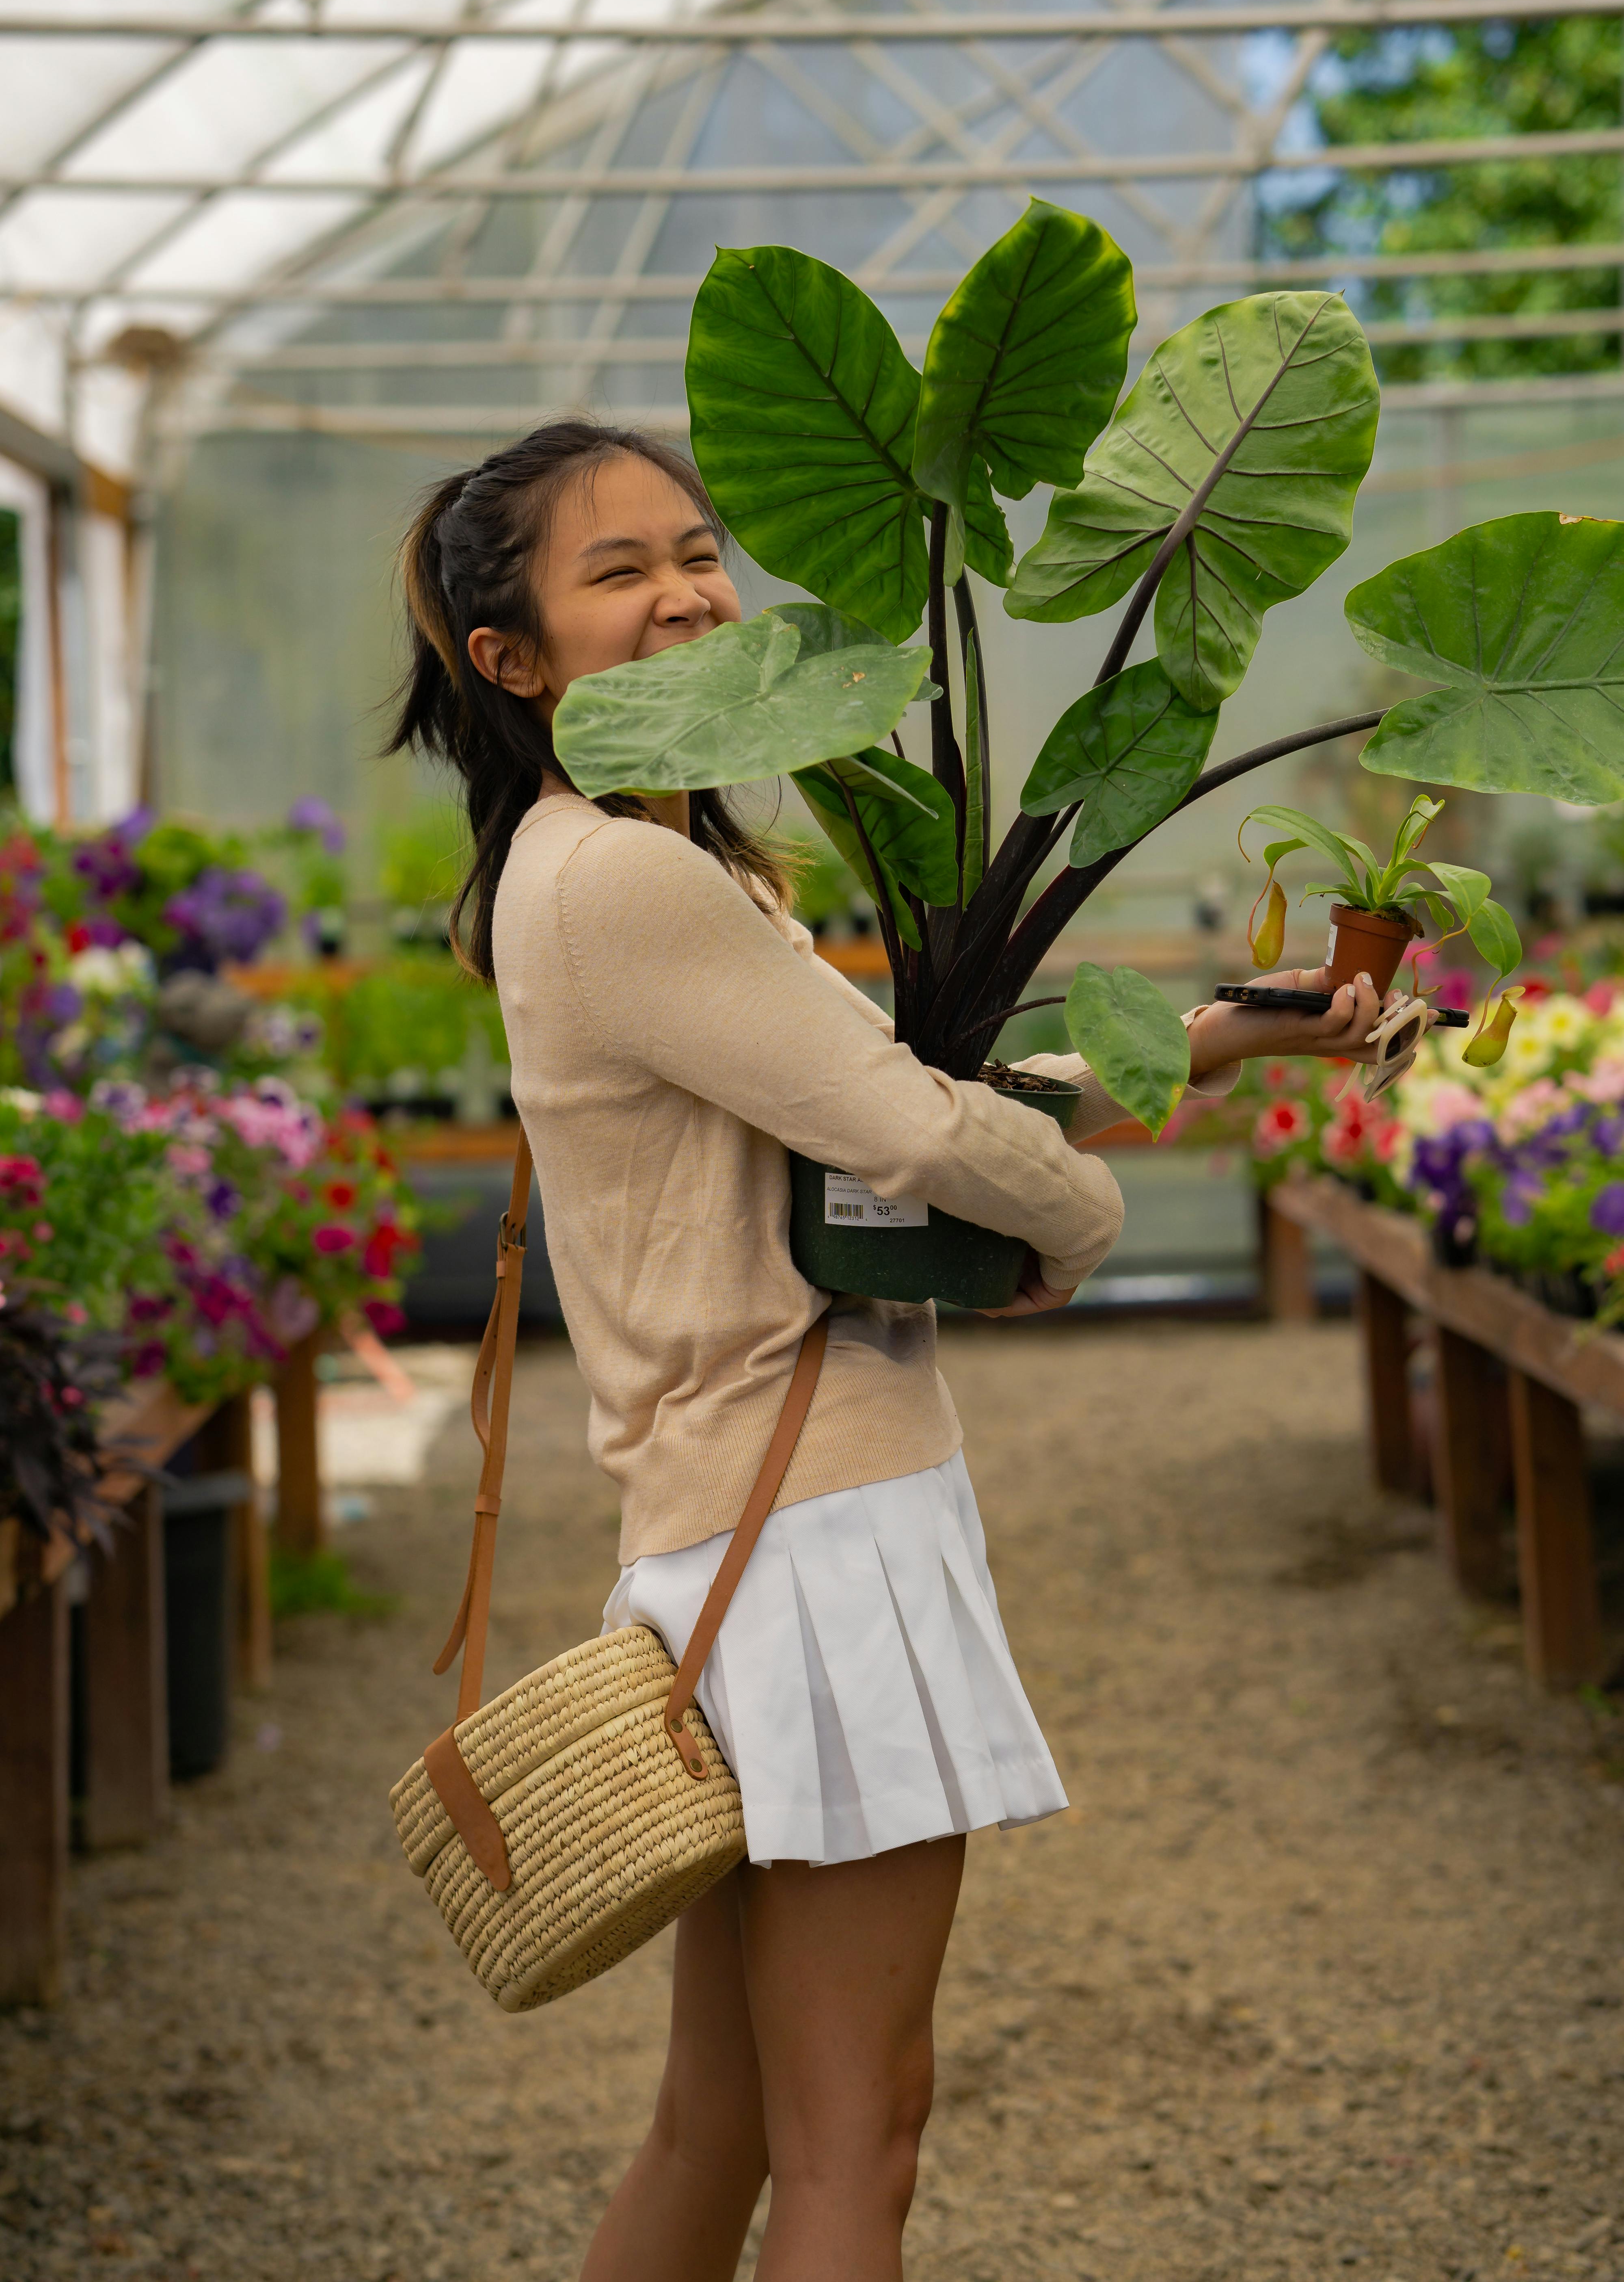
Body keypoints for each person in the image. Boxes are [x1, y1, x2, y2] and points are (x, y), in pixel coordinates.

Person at [389, 421, 1383, 2282]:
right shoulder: (633, 879)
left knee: (727, 2124)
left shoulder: (599, 861)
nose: (687, 593)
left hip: (732, 1537)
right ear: (508, 658)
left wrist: (1228, 1034)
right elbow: (922, 1137)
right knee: (861, 2139)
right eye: (616, 573)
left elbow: (890, 1107)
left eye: (696, 550)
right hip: (817, 1544)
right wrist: (1068, 1234)